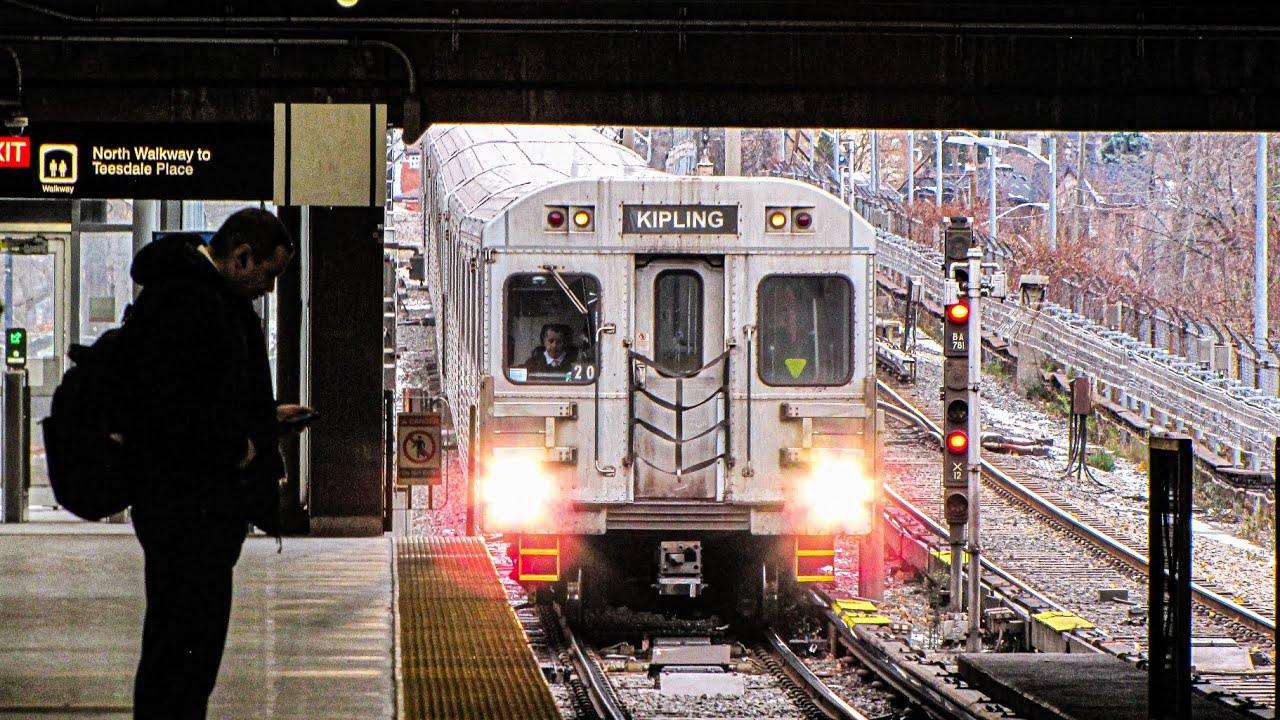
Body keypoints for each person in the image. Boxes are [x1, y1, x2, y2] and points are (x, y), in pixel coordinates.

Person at [119, 208, 311, 719]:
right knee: (180, 652)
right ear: (242, 255)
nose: (269, 288)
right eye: (269, 273)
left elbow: (211, 394)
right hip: (186, 509)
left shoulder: (207, 299)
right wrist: (238, 447)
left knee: (190, 651)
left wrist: (265, 420)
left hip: (196, 509)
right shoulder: (186, 301)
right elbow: (170, 408)